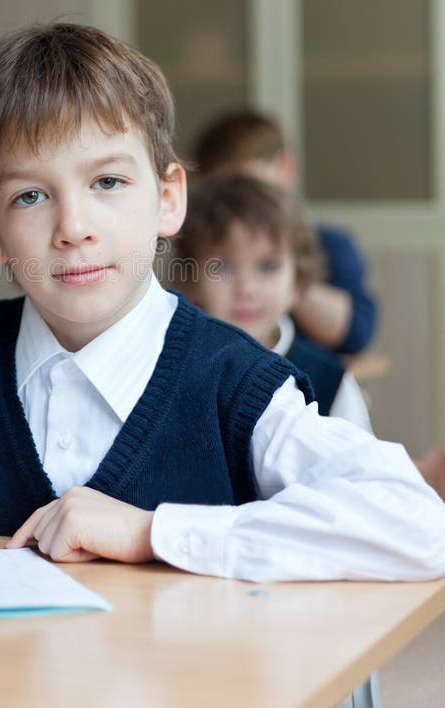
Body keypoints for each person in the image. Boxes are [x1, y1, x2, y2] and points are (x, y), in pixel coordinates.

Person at [0, 23, 443, 582]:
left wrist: (153, 532)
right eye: (30, 196)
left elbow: (416, 523)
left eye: (108, 181)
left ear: (168, 198)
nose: (74, 226)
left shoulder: (234, 384)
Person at [175, 173, 445, 498]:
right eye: (222, 268)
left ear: (298, 283)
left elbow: (363, 483)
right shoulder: (177, 371)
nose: (246, 288)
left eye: (267, 267)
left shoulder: (330, 380)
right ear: (191, 283)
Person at [192, 108, 377, 355]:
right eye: (222, 195)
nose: (246, 288)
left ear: (285, 169)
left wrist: (287, 277)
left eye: (267, 265)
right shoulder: (197, 246)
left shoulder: (328, 243)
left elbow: (356, 331)